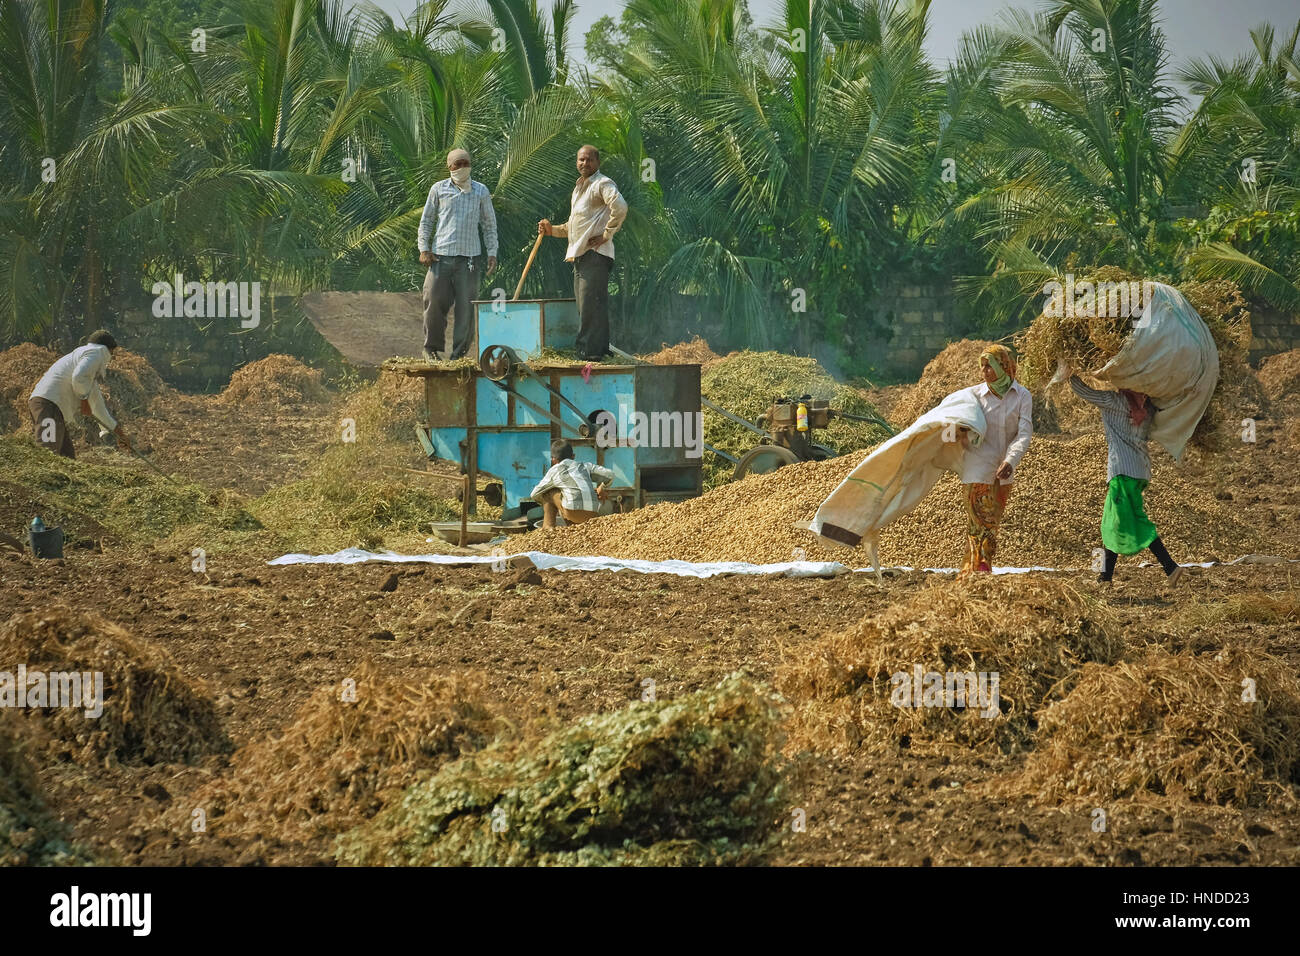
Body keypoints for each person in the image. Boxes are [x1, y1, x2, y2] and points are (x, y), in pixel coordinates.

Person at [1059, 360, 1185, 587]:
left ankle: (1170, 567)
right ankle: (1105, 576)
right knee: (1113, 521)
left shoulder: (1114, 402)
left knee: (1132, 520)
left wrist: (1069, 372)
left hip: (1122, 473)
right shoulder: (1148, 410)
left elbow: (1084, 391)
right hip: (1140, 472)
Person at [537, 145, 628, 361]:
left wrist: (607, 234)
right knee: (587, 305)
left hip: (596, 254)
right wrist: (551, 231)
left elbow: (621, 207)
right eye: (580, 160)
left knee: (590, 305)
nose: (584, 164)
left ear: (597, 162)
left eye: (589, 160)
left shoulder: (602, 183)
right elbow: (573, 227)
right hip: (581, 256)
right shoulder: (578, 189)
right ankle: (598, 350)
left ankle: (589, 353)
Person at [953, 344, 1032, 575]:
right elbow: (953, 427)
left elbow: (1024, 432)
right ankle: (979, 571)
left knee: (991, 525)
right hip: (977, 469)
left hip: (1003, 472)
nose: (985, 371)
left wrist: (1011, 461)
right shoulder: (973, 396)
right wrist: (960, 434)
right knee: (981, 523)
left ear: (1004, 365)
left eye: (990, 366)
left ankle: (977, 570)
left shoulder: (1022, 396)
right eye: (983, 366)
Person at [418, 148, 498, 361]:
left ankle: (459, 355)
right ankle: (431, 349)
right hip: (440, 257)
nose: (462, 168)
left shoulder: (480, 191)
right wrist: (423, 249)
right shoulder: (438, 189)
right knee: (433, 300)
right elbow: (426, 221)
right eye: (458, 164)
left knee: (466, 308)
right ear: (449, 166)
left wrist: (492, 253)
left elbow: (489, 225)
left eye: (466, 163)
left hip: (469, 260)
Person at [28, 330, 131, 459]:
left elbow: (99, 409)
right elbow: (78, 376)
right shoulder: (96, 353)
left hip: (50, 407)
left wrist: (119, 434)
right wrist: (83, 399)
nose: (110, 358)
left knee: (67, 457)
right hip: (48, 405)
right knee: (47, 454)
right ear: (107, 350)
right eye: (111, 353)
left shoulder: (87, 377)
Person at [530, 439, 614, 530]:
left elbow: (534, 494)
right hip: (593, 514)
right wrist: (601, 488)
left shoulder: (554, 470)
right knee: (568, 495)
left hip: (572, 512)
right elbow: (610, 475)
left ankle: (548, 527)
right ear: (573, 456)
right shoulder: (585, 466)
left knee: (548, 492)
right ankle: (573, 528)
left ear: (553, 460)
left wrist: (546, 503)